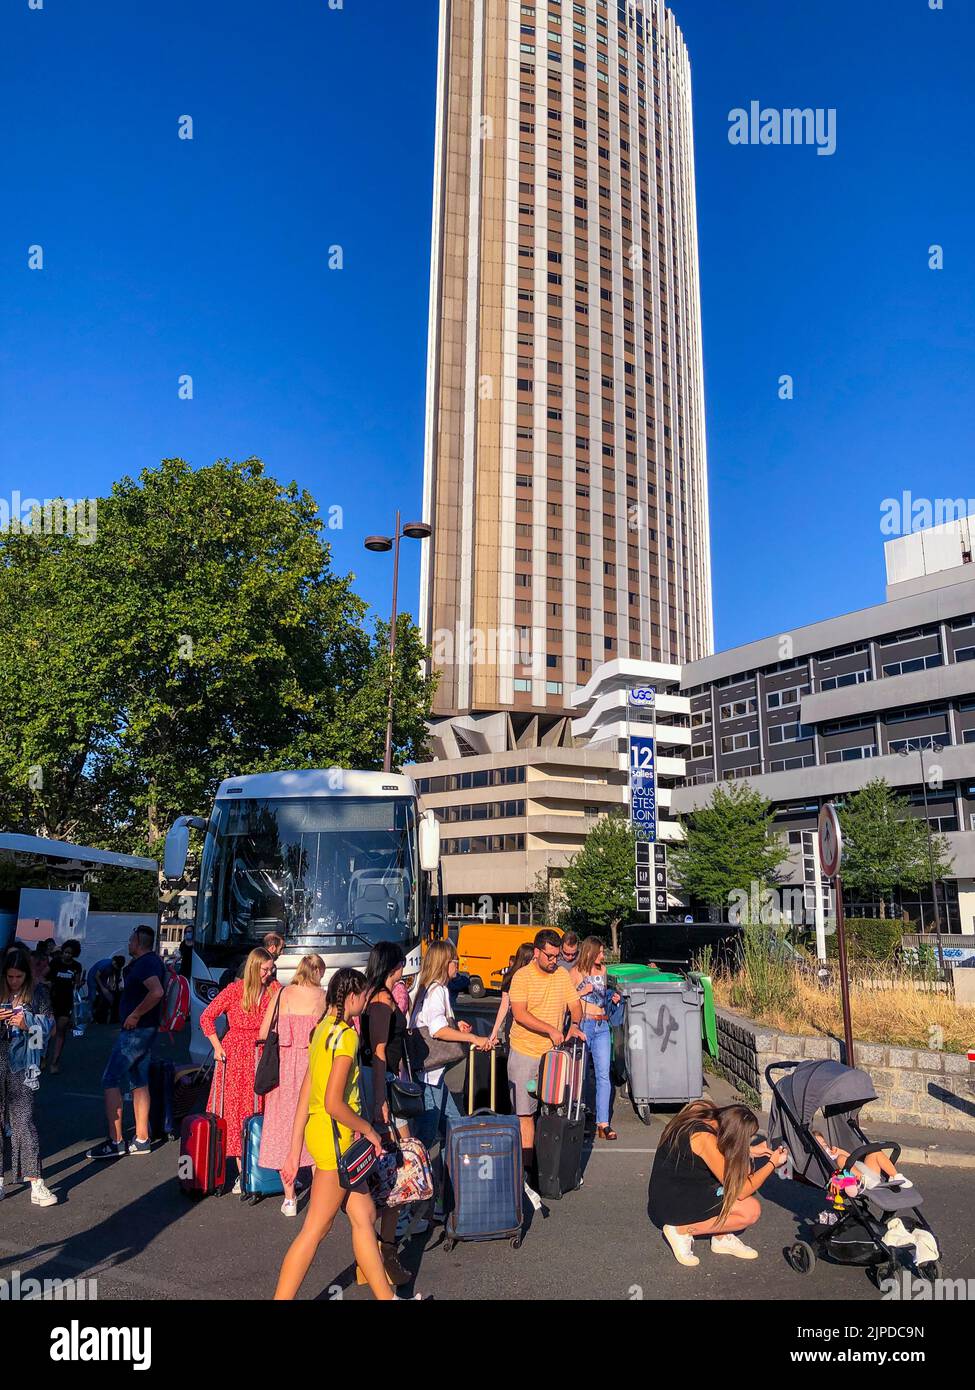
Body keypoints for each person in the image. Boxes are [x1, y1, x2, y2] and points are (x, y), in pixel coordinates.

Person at [273, 968, 417, 1301]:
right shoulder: (346, 1037)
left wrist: (294, 1149)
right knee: (315, 1231)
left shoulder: (322, 1029)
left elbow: (307, 1095)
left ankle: (387, 1298)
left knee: (363, 1216)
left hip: (323, 1136)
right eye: (365, 996)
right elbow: (334, 1102)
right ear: (351, 997)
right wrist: (370, 1131)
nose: (367, 1002)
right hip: (337, 1143)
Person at [648, 1099, 789, 1266]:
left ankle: (721, 1237)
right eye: (745, 1139)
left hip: (668, 1191)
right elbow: (742, 1189)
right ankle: (681, 1230)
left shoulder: (704, 1110)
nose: (746, 1142)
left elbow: (711, 1152)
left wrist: (748, 1150)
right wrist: (772, 1164)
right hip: (674, 1205)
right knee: (750, 1210)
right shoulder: (704, 1139)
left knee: (739, 1177)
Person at [199, 947, 279, 1192]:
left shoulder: (274, 990)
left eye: (271, 968)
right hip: (235, 1054)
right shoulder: (235, 990)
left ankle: (264, 1167)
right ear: (254, 968)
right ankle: (243, 1172)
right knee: (236, 1110)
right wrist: (216, 1046)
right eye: (266, 969)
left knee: (265, 1108)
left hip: (262, 1054)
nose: (270, 973)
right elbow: (206, 1017)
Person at [506, 928, 585, 1176]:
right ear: (537, 952)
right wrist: (551, 1029)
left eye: (556, 956)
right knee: (525, 1113)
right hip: (525, 1052)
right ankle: (527, 1169)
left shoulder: (562, 975)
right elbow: (519, 1014)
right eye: (549, 956)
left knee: (552, 1112)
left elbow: (575, 1005)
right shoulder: (522, 977)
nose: (554, 961)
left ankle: (549, 1167)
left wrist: (573, 1025)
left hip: (553, 1057)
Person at [87, 925, 167, 1160]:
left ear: (139, 942)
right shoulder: (150, 962)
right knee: (139, 1081)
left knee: (111, 1078)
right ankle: (141, 1138)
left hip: (136, 1030)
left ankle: (116, 1140)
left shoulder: (146, 964)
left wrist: (135, 1014)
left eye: (131, 940)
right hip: (144, 1029)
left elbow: (157, 992)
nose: (129, 943)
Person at [258, 953, 327, 1217]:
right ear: (318, 972)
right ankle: (320, 1194)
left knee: (282, 1128)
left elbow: (264, 1033)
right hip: (311, 1069)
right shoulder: (322, 998)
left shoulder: (281, 994)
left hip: (282, 1072)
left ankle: (289, 1198)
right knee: (313, 1126)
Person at [359, 941, 411, 1284]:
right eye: (401, 965)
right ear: (393, 966)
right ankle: (384, 1251)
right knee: (396, 1168)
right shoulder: (380, 1000)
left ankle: (381, 1250)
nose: (404, 970)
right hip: (383, 1085)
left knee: (394, 1167)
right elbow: (378, 1052)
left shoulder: (379, 996)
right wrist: (379, 1101)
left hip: (387, 1082)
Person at [0, 946, 57, 1205]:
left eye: (18, 977)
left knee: (24, 1122)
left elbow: (51, 1027)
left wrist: (28, 1022)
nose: (14, 982)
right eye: (9, 977)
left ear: (26, 975)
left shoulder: (38, 992)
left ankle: (36, 1182)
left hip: (22, 1061)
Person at [570, 936, 621, 1142]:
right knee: (579, 1075)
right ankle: (578, 1121)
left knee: (603, 1075)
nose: (603, 955)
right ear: (590, 952)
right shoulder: (575, 972)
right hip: (584, 1024)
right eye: (600, 952)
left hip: (601, 1024)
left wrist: (612, 997)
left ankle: (603, 1123)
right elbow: (567, 999)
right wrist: (582, 990)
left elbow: (603, 995)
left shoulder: (603, 971)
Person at [812, 1131, 913, 1190]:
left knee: (875, 1151)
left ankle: (895, 1175)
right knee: (841, 1159)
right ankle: (865, 1180)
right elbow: (841, 1165)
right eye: (821, 1146)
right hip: (858, 1178)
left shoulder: (836, 1153)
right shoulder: (825, 1159)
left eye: (825, 1144)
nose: (824, 1147)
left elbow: (852, 1158)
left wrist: (840, 1151)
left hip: (867, 1171)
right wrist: (839, 1157)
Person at [46, 939, 83, 1075]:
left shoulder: (76, 966)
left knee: (61, 1031)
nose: (67, 955)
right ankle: (43, 1056)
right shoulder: (55, 963)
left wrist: (79, 984)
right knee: (48, 1031)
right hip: (52, 1000)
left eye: (70, 953)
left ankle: (55, 1062)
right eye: (65, 952)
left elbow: (77, 983)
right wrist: (47, 983)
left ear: (74, 955)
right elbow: (44, 975)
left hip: (66, 1001)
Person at [488, 942, 534, 1049]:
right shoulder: (510, 976)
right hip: (515, 1026)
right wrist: (494, 1032)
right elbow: (504, 1005)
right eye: (534, 959)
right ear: (525, 961)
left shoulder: (537, 976)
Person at [92, 955, 126, 1025]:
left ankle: (109, 1018)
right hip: (94, 976)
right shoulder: (106, 966)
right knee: (101, 995)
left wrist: (113, 986)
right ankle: (96, 1018)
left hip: (105, 976)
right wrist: (103, 988)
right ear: (114, 963)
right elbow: (96, 976)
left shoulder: (117, 968)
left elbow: (113, 977)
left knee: (110, 996)